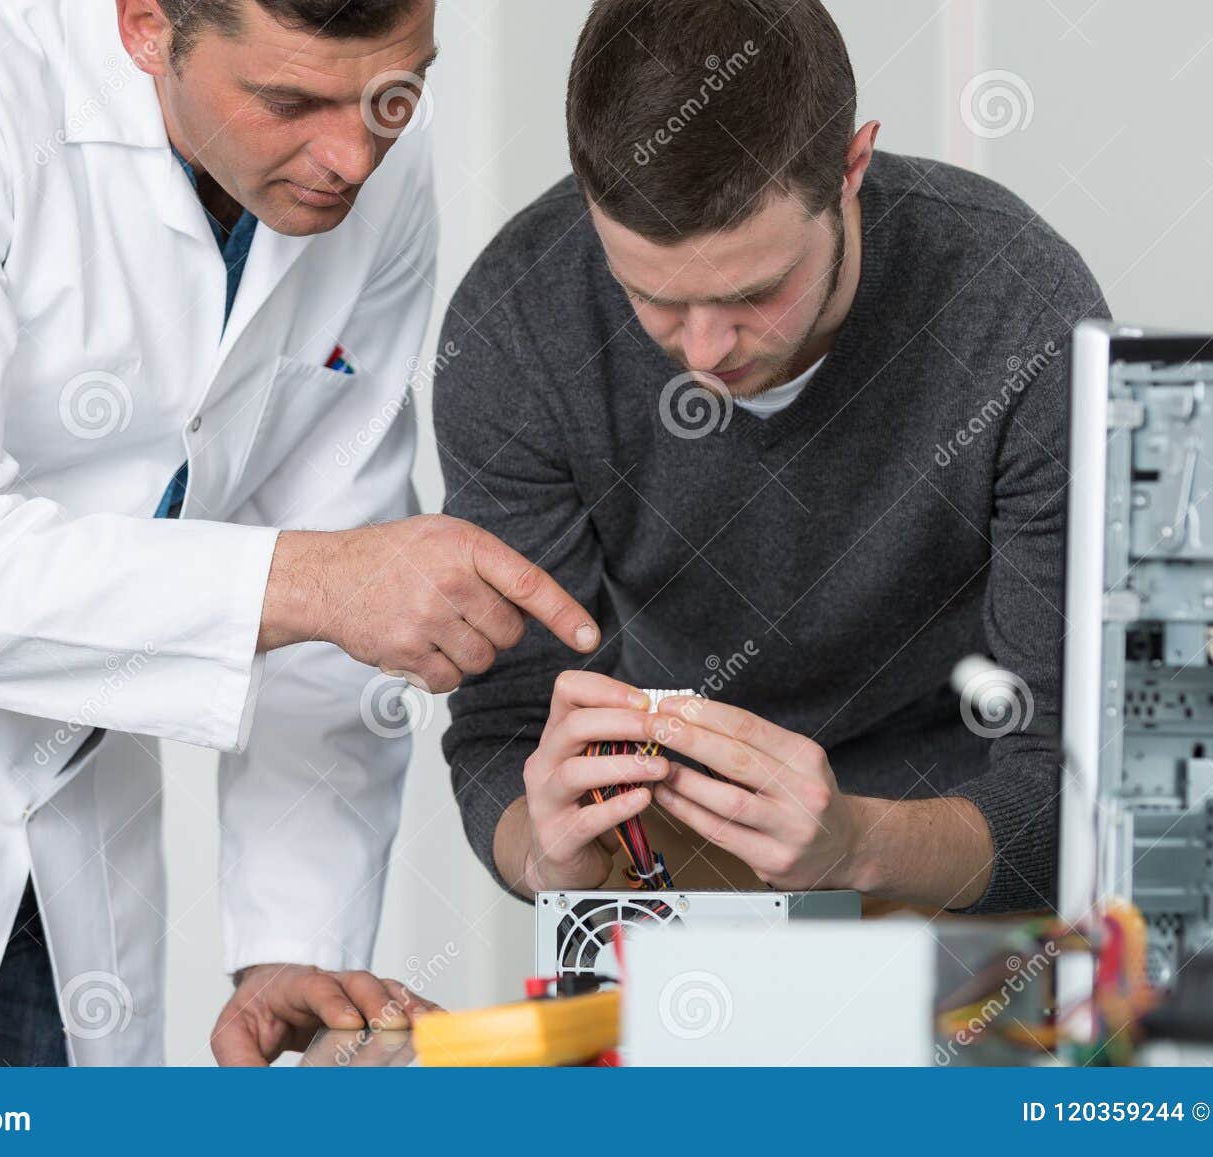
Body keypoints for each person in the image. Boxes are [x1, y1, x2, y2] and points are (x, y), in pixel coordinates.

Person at [0, 0, 600, 1066]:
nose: (349, 156)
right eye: (286, 100)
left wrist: (291, 944)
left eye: (395, 91)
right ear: (146, 23)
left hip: (74, 875)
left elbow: (343, 595)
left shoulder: (370, 148)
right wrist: (315, 581)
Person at [435, 0, 1107, 914]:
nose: (705, 350)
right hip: (684, 883)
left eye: (755, 291)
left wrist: (859, 844)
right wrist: (544, 858)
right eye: (654, 297)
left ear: (851, 169)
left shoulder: (1018, 309)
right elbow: (502, 728)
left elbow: (1080, 780)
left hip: (968, 879)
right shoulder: (517, 325)